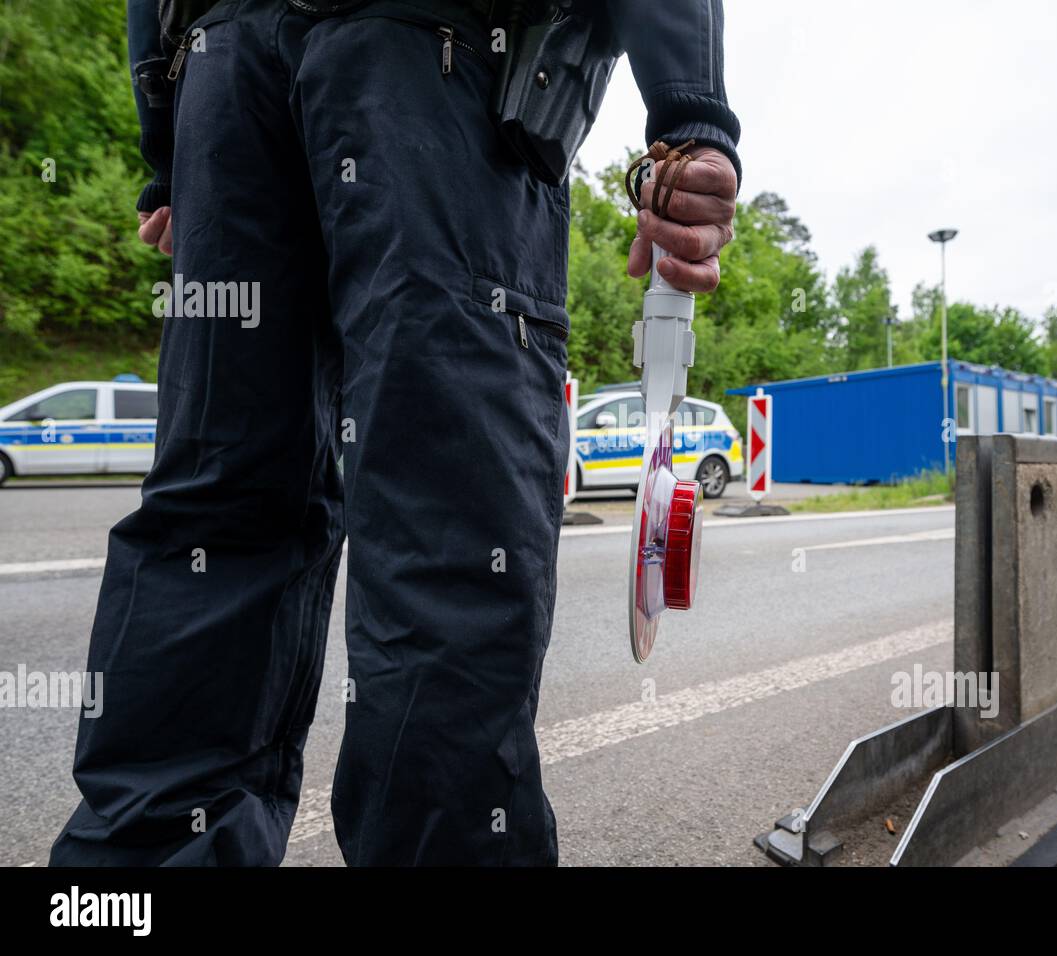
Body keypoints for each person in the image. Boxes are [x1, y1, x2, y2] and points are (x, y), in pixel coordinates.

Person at [49, 0, 739, 866]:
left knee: (213, 522)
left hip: (221, 75)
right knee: (445, 527)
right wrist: (691, 116)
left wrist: (170, 149)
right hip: (436, 61)